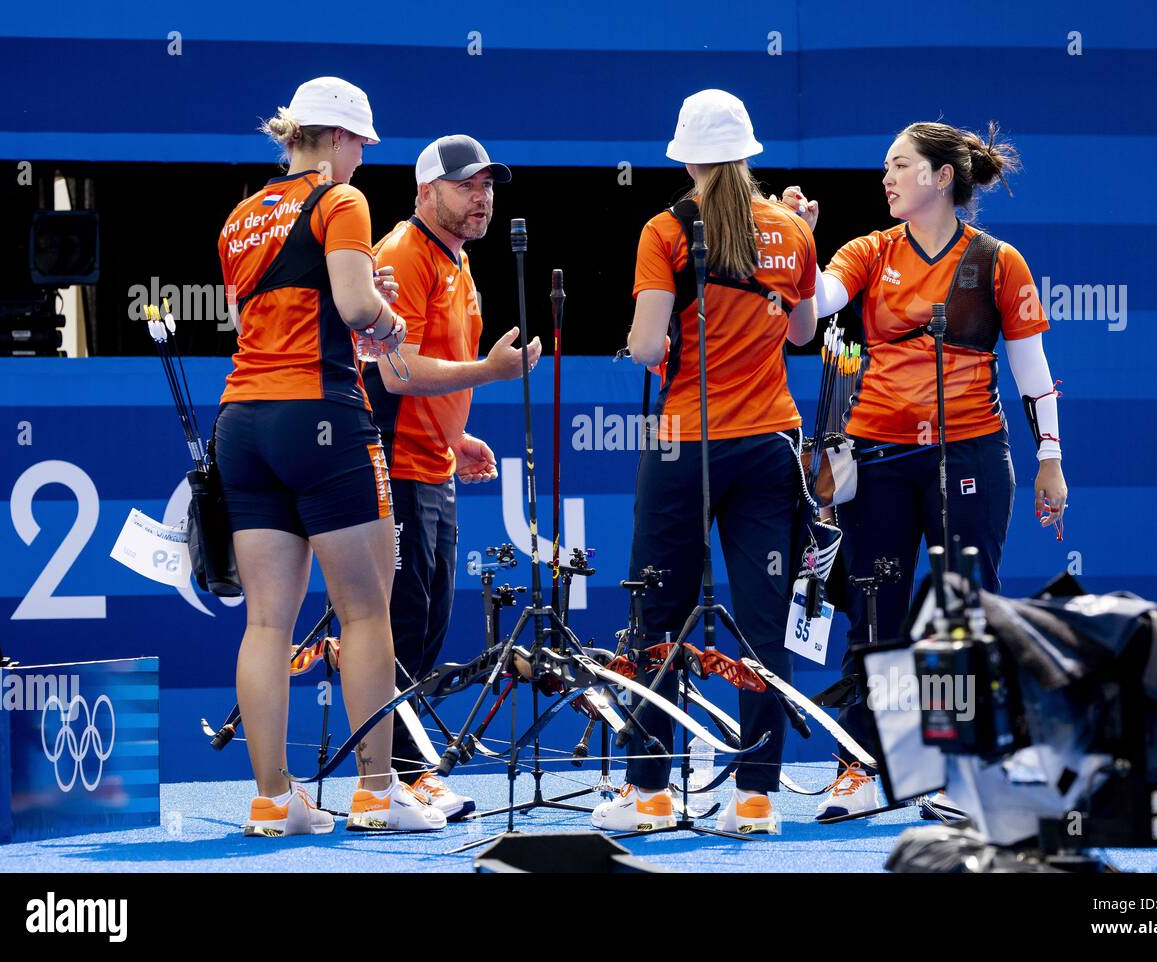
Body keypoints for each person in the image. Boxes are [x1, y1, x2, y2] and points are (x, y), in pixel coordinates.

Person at [781, 122, 1068, 817]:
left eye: (899, 165)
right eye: (885, 167)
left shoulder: (999, 262)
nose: (885, 178)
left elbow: (1031, 371)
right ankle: (862, 766)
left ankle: (956, 778)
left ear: (941, 177)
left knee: (957, 620)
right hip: (877, 457)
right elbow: (816, 304)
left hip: (970, 454)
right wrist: (798, 240)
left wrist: (1051, 459)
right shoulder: (868, 251)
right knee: (874, 617)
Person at [215, 77, 444, 835]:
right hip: (317, 413)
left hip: (242, 423)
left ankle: (273, 802)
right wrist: (388, 323)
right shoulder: (341, 201)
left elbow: (278, 309)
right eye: (361, 146)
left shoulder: (240, 218)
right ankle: (378, 795)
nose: (362, 162)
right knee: (366, 609)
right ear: (339, 138)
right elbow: (350, 309)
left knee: (267, 624)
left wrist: (358, 297)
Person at [591, 89, 818, 835]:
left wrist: (643, 342)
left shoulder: (664, 229)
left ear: (687, 158)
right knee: (761, 623)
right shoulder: (791, 229)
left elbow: (651, 347)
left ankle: (650, 792)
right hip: (769, 442)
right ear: (748, 155)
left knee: (658, 612)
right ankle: (755, 798)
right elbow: (804, 335)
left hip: (682, 441)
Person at [364, 135, 540, 819]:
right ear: (424, 192)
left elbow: (422, 375)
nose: (483, 196)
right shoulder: (401, 254)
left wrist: (454, 434)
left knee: (430, 624)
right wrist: (491, 373)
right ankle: (401, 776)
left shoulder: (457, 264)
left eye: (489, 185)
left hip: (431, 464)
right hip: (392, 468)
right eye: (467, 184)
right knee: (404, 625)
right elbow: (394, 370)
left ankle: (405, 772)